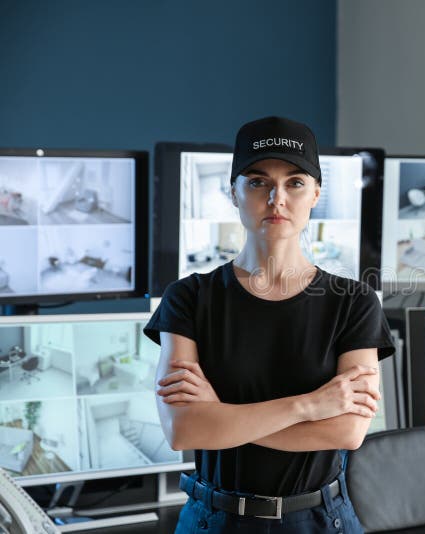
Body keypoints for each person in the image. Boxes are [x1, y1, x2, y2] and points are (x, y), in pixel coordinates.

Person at [143, 116, 396, 533]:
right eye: (258, 182)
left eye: (295, 182)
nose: (277, 198)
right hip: (214, 521)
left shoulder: (354, 302)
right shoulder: (189, 297)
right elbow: (184, 429)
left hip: (318, 520)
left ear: (316, 193)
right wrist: (310, 406)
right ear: (234, 192)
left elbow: (347, 431)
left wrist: (221, 417)